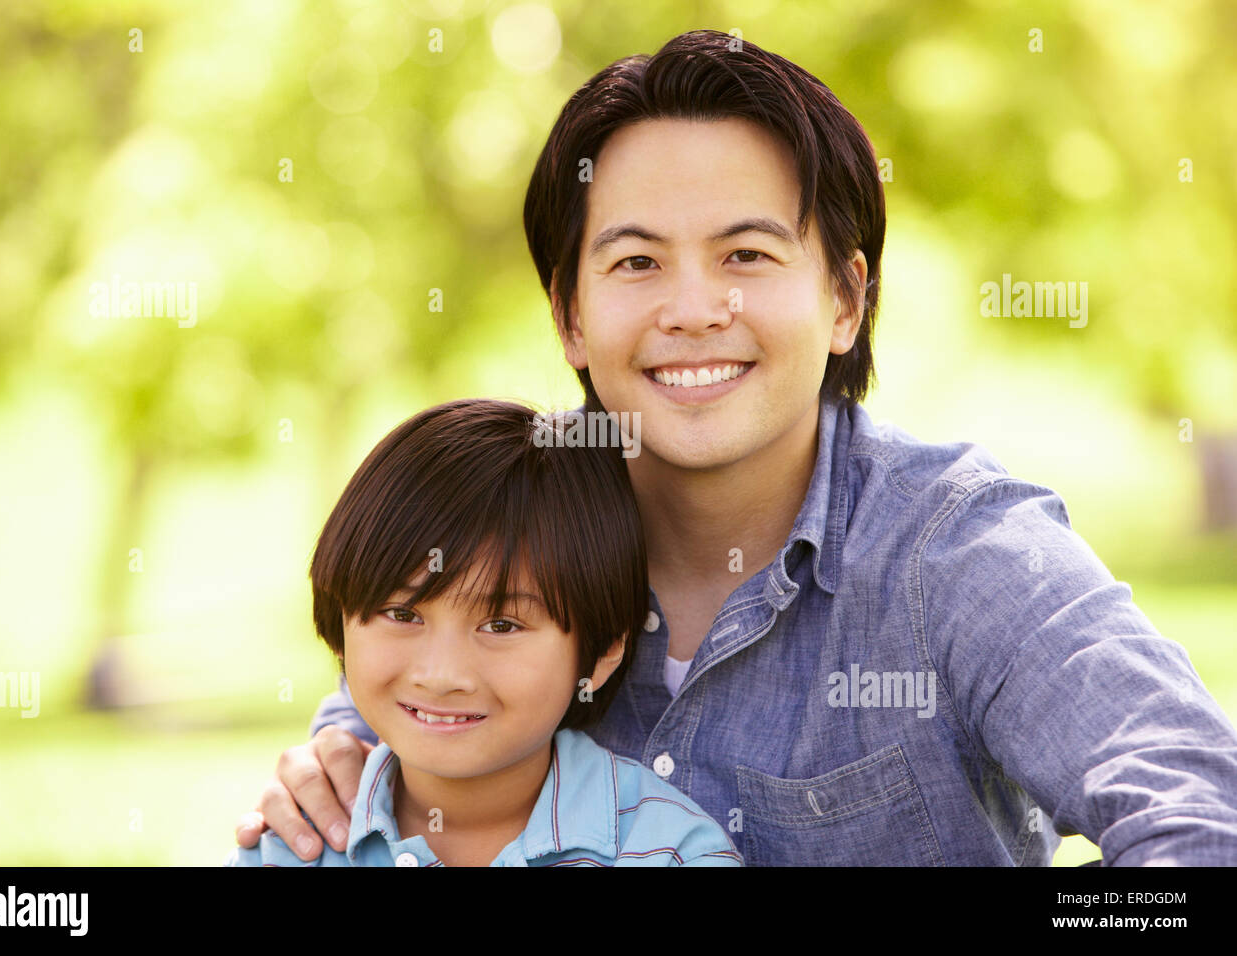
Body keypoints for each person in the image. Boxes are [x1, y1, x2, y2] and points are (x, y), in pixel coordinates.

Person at [235, 30, 1237, 865]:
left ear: (845, 299)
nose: (691, 310)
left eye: (746, 255)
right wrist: (335, 752)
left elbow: (1200, 820)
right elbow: (399, 684)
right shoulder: (507, 520)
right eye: (635, 261)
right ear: (570, 317)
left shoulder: (962, 556)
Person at [225, 398, 742, 866]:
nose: (442, 674)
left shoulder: (671, 853)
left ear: (603, 650)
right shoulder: (288, 847)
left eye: (501, 624)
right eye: (403, 615)